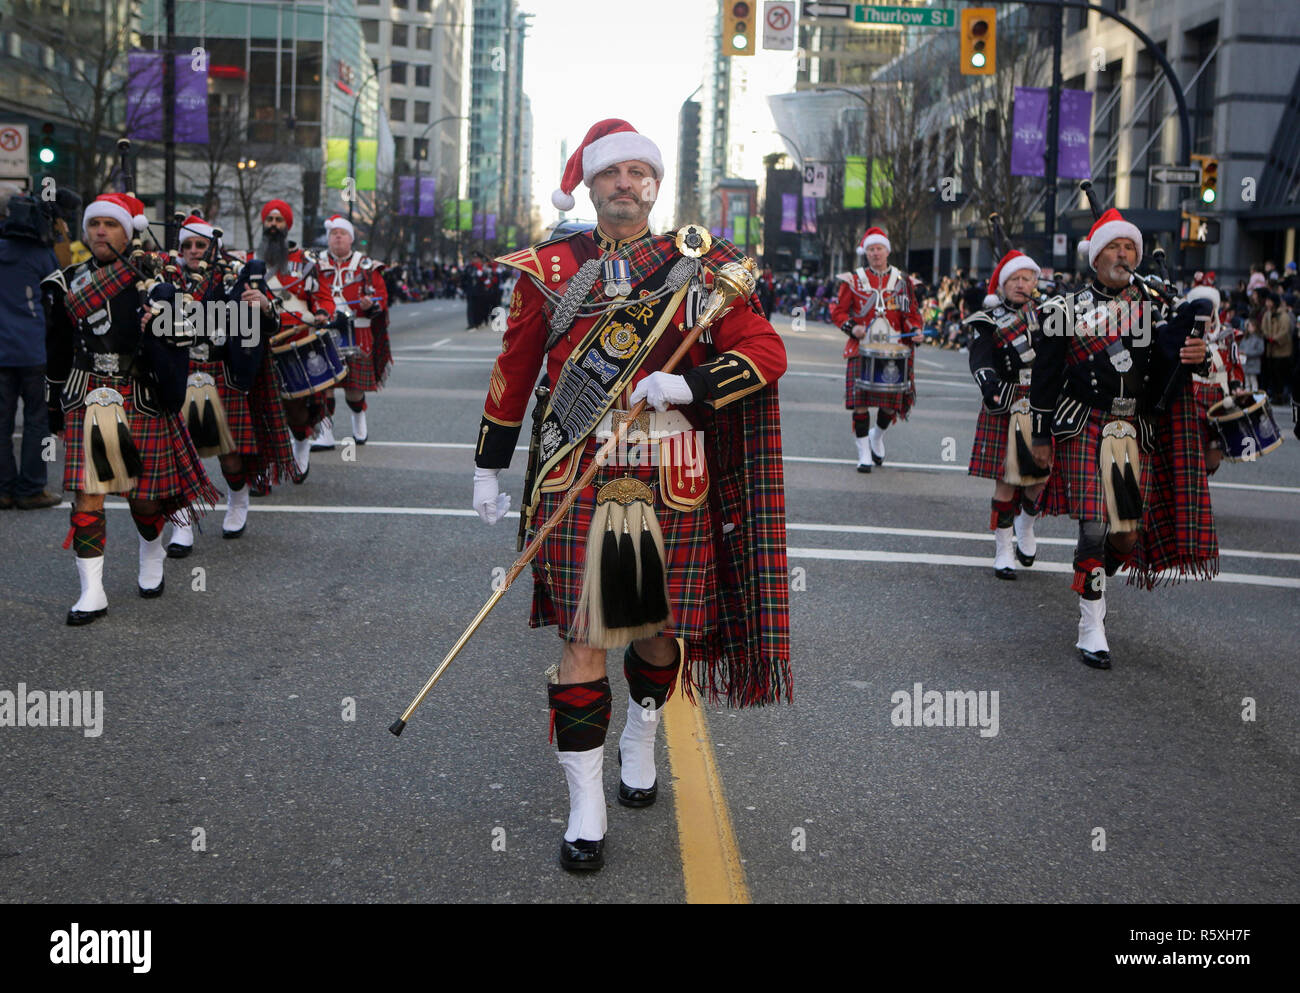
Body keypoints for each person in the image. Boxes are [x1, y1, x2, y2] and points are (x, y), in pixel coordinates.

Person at [471, 119, 790, 872]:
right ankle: (586, 804)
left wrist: (690, 381)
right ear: (590, 182)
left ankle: (643, 729)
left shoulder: (703, 265)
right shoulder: (550, 268)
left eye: (641, 174)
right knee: (581, 638)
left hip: (670, 472)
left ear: (654, 186)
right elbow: (515, 369)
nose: (628, 184)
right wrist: (488, 461)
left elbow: (766, 351)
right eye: (614, 174)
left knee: (658, 628)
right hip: (579, 467)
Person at [1031, 207, 1210, 668]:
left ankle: (1093, 576)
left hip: (1134, 430)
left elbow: (1173, 364)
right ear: (1095, 258)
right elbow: (1045, 378)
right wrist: (1040, 433)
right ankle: (1092, 623)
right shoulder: (1063, 312)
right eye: (1115, 246)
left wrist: (1197, 355)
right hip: (1084, 423)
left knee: (1126, 536)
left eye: (1130, 247)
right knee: (1093, 526)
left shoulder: (1152, 310)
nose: (1124, 254)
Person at [43, 192, 220, 625]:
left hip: (140, 394)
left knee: (145, 501)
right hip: (89, 394)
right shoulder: (68, 280)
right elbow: (58, 345)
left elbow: (185, 339)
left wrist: (161, 324)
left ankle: (151, 550)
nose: (101, 230)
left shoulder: (158, 278)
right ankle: (92, 592)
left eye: (111, 224)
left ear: (129, 231)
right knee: (89, 495)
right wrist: (52, 403)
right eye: (95, 223)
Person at [164, 215, 293, 555]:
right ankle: (182, 527)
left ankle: (238, 498)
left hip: (221, 371)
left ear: (213, 245)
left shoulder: (235, 274)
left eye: (200, 244)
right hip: (180, 372)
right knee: (178, 454)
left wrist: (265, 307)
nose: (193, 251)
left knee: (229, 456)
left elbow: (271, 321)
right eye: (187, 245)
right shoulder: (166, 278)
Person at [965, 250, 1049, 579]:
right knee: (1005, 481)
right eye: (1014, 278)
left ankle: (1025, 524)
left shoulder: (1049, 315)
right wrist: (989, 386)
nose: (1021, 284)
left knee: (1040, 479)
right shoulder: (988, 319)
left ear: (1035, 282)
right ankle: (1003, 549)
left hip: (1043, 401)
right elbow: (980, 358)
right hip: (1008, 400)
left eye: (1027, 278)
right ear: (1002, 286)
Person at [250, 199, 336, 481]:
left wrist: (323, 312)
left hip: (295, 343)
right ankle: (262, 469)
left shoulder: (307, 264)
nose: (274, 225)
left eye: (279, 220)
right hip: (259, 345)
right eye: (270, 220)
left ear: (288, 225)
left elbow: (323, 296)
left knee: (296, 411)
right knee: (258, 412)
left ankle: (301, 442)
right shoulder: (250, 262)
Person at [832, 227, 922, 472]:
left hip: (893, 350)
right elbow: (838, 311)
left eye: (879, 248)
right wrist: (853, 328)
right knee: (859, 403)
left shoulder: (903, 281)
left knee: (890, 404)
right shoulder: (853, 279)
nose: (875, 253)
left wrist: (915, 329)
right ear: (866, 252)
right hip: (861, 348)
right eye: (871, 249)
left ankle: (877, 436)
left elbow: (911, 313)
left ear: (887, 250)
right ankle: (863, 453)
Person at [0, 195, 61, 510]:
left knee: (2, 421)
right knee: (37, 419)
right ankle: (31, 488)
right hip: (33, 349)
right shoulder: (42, 256)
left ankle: (3, 488)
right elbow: (57, 300)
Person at [313, 214, 392, 446]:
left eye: (343, 233)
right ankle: (325, 434)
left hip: (358, 333)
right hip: (325, 332)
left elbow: (382, 297)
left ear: (351, 239)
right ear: (328, 239)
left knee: (353, 389)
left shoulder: (367, 266)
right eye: (333, 234)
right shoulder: (315, 265)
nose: (338, 237)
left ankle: (359, 419)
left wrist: (372, 305)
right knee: (324, 385)